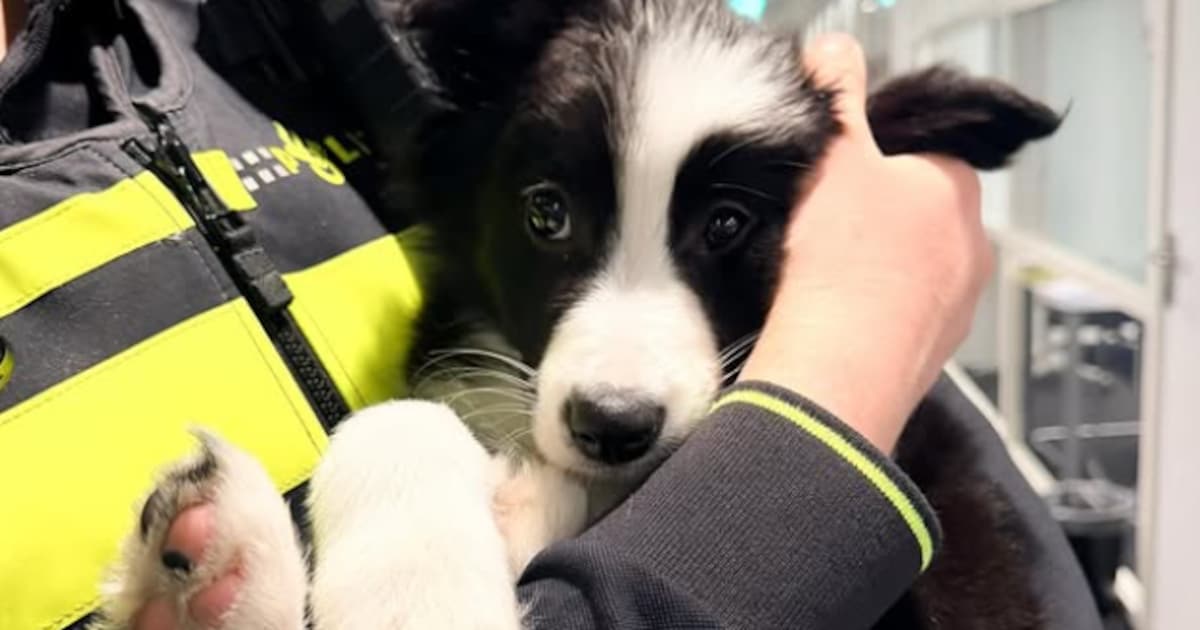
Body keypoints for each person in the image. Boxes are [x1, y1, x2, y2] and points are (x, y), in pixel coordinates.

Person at [0, 1, 1098, 629]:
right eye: (550, 214)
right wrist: (846, 367)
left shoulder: (274, 43)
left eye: (723, 231)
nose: (619, 364)